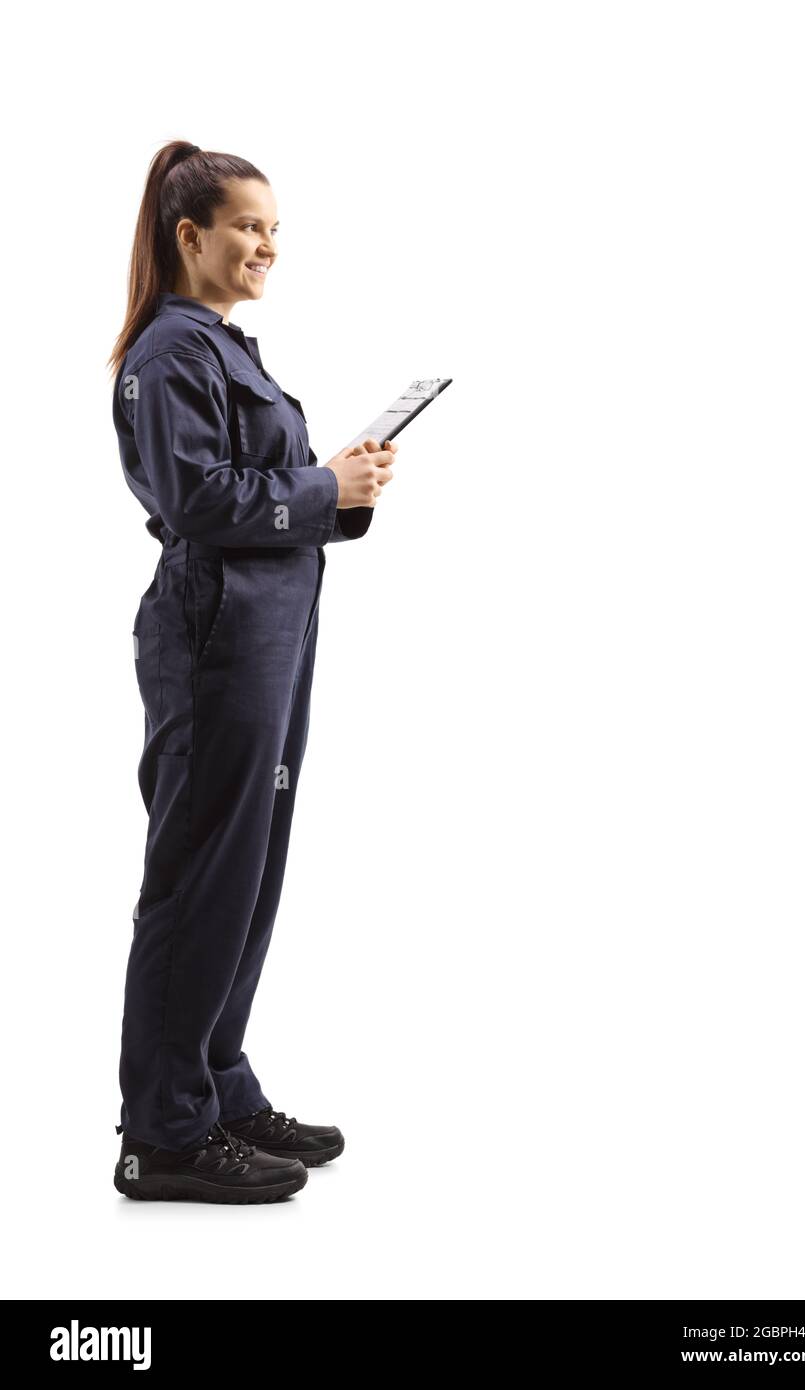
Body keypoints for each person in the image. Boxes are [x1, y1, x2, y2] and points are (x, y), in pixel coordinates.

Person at [107, 140, 397, 1204]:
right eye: (247, 226)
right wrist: (321, 487)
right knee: (200, 875)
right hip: (214, 637)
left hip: (270, 631)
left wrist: (343, 494)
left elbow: (266, 491)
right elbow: (197, 502)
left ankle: (216, 1086)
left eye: (274, 229)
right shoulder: (168, 354)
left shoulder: (227, 346)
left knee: (249, 872)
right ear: (192, 236)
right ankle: (163, 1132)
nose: (266, 244)